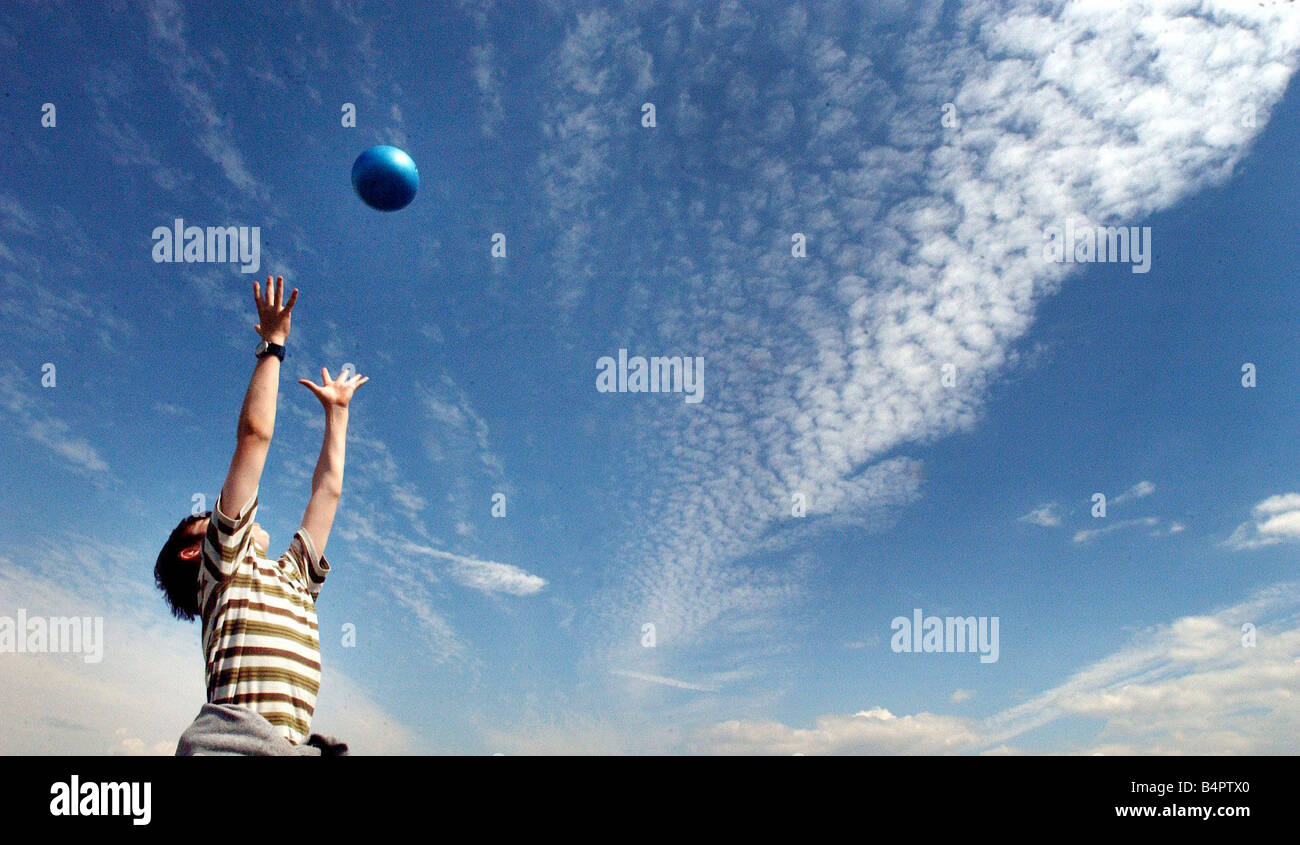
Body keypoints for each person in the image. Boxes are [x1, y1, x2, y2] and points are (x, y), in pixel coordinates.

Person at [154, 276, 366, 755]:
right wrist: (273, 346)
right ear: (197, 549)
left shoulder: (294, 579)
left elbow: (328, 492)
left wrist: (338, 415)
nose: (229, 516)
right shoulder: (224, 566)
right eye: (211, 517)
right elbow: (254, 437)